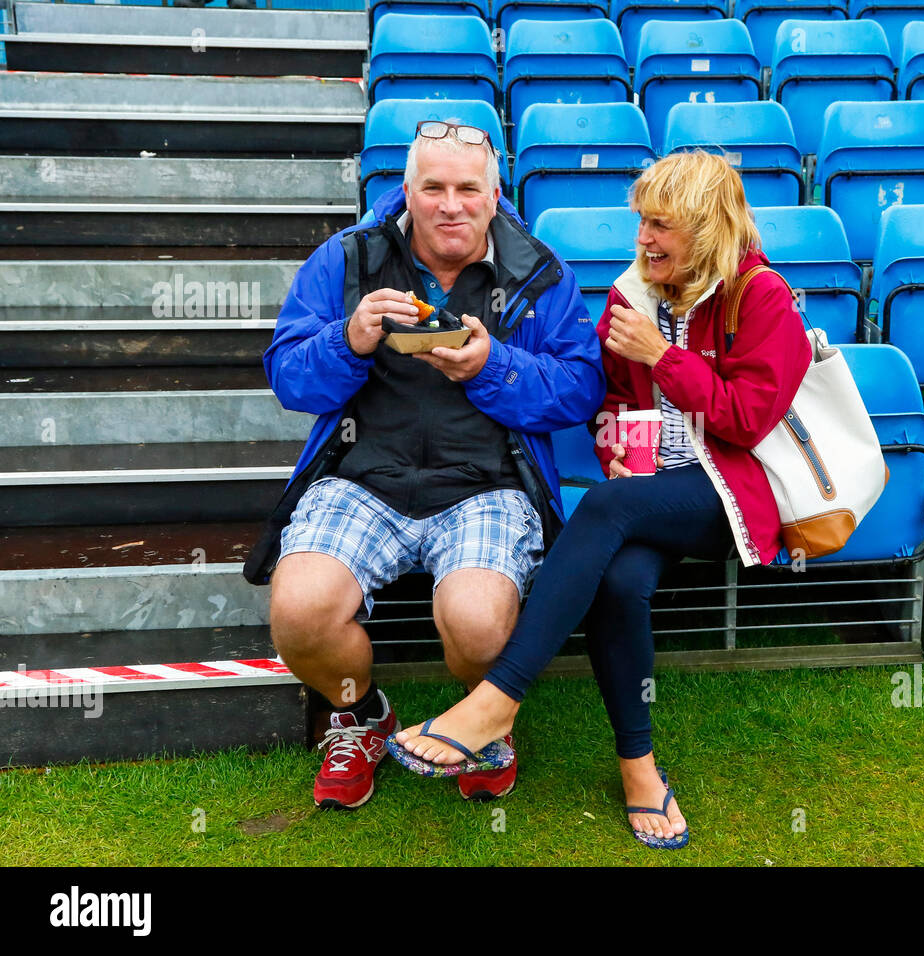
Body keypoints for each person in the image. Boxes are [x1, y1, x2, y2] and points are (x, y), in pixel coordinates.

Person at [387, 151, 811, 847]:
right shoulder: (630, 295)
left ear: (707, 228)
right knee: (618, 580)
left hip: (732, 492)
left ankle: (498, 698)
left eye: (661, 226)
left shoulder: (761, 296)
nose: (644, 238)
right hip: (647, 489)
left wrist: (661, 357)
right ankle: (639, 766)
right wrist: (615, 442)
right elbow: (605, 398)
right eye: (641, 222)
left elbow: (747, 420)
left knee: (605, 510)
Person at [241, 121, 604, 810]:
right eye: (433, 188)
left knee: (479, 623)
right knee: (299, 611)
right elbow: (289, 378)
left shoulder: (539, 269)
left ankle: (483, 720)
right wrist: (347, 339)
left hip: (488, 481)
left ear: (494, 195)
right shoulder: (348, 258)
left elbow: (581, 388)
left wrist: (492, 365)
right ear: (407, 192)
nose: (450, 205)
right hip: (362, 477)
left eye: (468, 189)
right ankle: (361, 715)